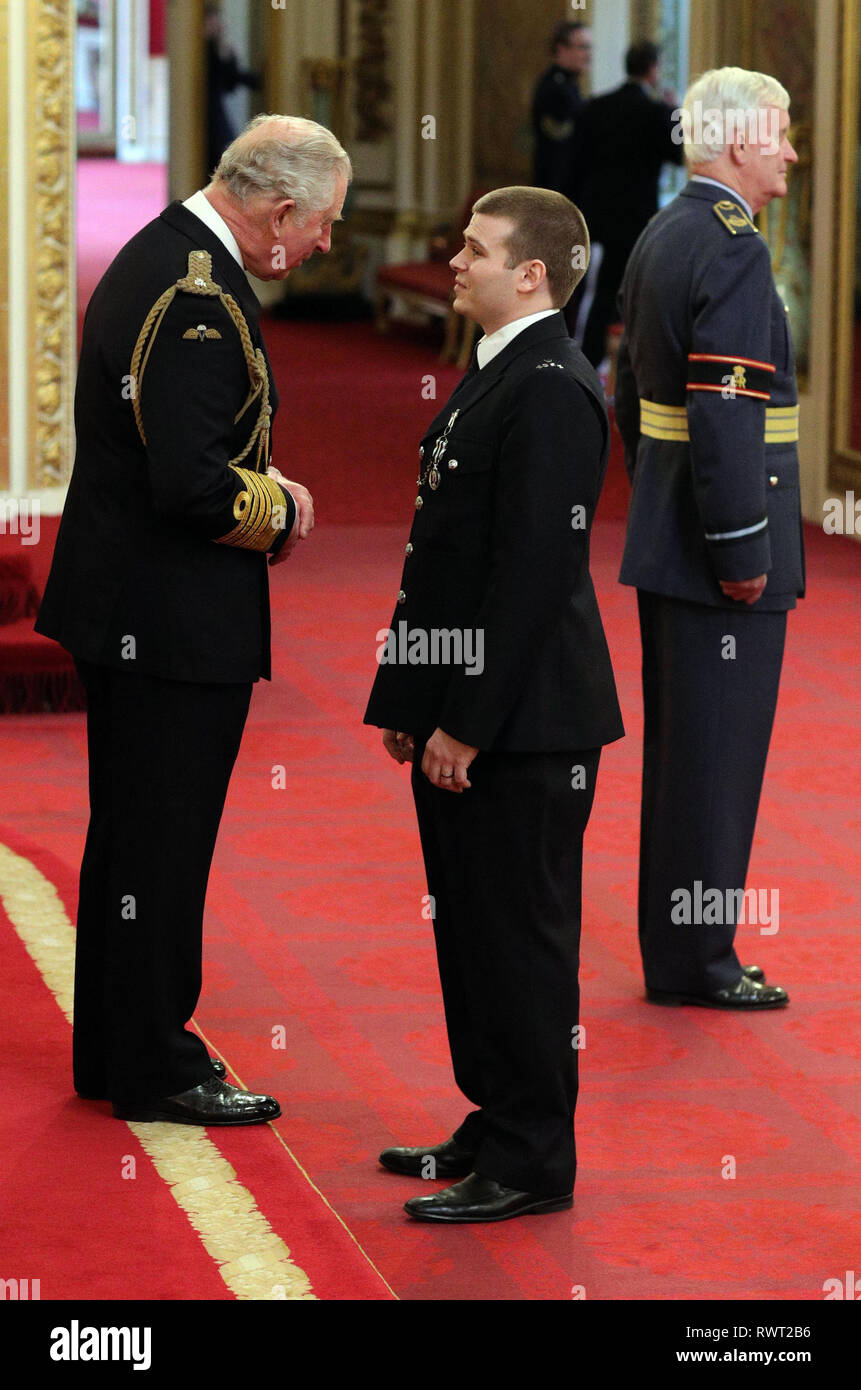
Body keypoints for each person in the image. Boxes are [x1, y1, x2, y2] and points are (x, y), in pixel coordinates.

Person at [36, 115, 351, 1124]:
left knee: (137, 838)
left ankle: (120, 1046)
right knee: (160, 845)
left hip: (143, 611)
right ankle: (158, 1062)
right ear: (279, 210)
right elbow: (193, 488)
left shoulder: (179, 258)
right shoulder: (199, 298)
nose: (326, 247)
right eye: (324, 226)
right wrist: (284, 509)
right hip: (165, 622)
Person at [364, 186, 624, 1223]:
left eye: (474, 248)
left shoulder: (553, 384)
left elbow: (529, 577)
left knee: (520, 937)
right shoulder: (500, 370)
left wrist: (465, 721)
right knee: (471, 930)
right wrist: (408, 695)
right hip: (471, 703)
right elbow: (444, 559)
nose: (454, 258)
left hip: (528, 724)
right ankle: (496, 1114)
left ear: (532, 274)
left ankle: (532, 1156)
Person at [614, 67, 803, 1010]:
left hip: (669, 535)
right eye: (779, 138)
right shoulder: (732, 248)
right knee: (715, 765)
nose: (791, 154)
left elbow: (625, 386)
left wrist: (654, 495)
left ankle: (684, 952)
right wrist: (740, 549)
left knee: (686, 759)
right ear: (735, 143)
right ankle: (698, 962)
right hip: (717, 550)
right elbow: (724, 415)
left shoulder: (664, 228)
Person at [578, 41, 682, 369]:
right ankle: (631, 365)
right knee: (634, 292)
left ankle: (590, 359)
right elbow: (680, 154)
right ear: (653, 69)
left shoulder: (596, 106)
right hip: (637, 219)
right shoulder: (656, 113)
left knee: (600, 290)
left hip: (598, 215)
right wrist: (675, 111)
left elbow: (577, 161)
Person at [530, 20, 592, 203]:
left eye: (589, 48)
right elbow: (559, 153)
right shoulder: (555, 89)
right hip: (558, 193)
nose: (588, 55)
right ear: (561, 49)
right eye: (582, 47)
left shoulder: (566, 85)